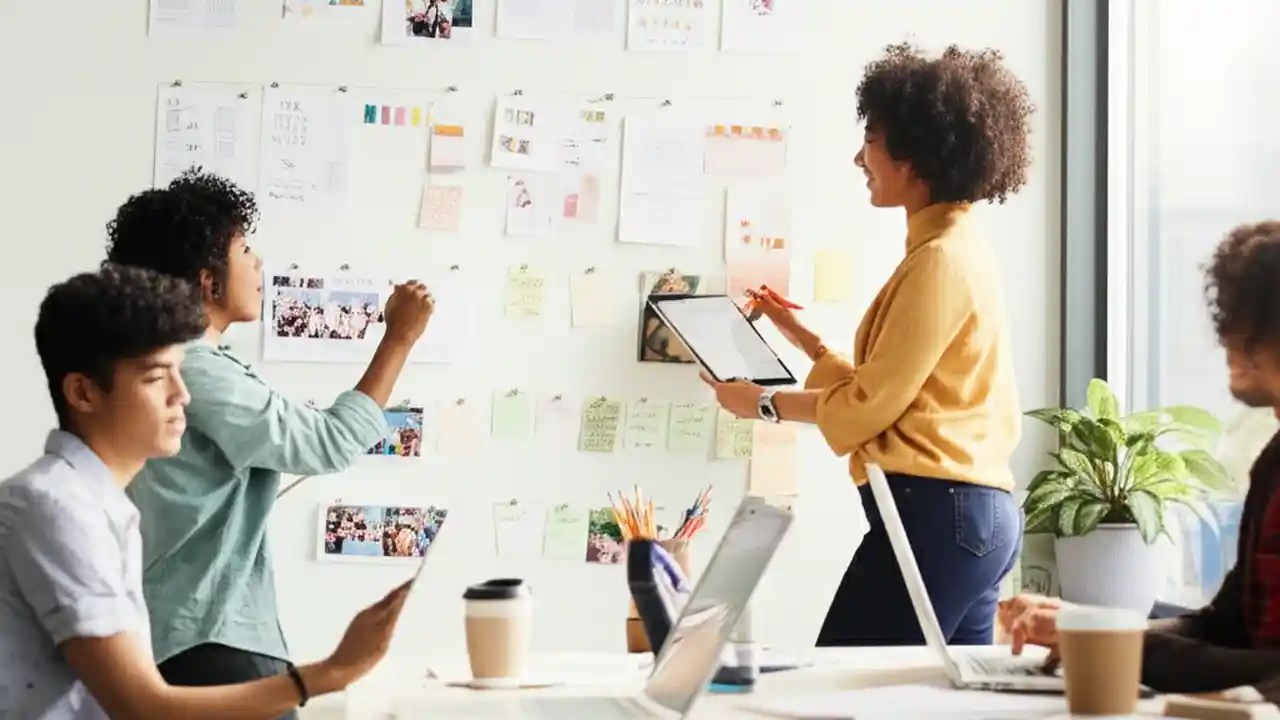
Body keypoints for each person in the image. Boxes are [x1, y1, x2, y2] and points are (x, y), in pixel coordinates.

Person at [702, 42, 1035, 646]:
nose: (860, 157)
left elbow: (867, 408)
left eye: (872, 139)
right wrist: (805, 340)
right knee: (929, 692)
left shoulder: (940, 261)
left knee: (839, 685)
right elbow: (895, 392)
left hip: (938, 518)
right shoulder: (957, 249)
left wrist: (762, 403)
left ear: (915, 153)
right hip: (974, 520)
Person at [0, 265, 412, 720]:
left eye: (179, 372)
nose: (182, 395)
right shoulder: (56, 507)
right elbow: (140, 706)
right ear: (83, 393)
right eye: (156, 378)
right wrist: (332, 672)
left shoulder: (103, 509)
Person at [102, 169, 434, 708]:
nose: (258, 263)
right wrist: (399, 339)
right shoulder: (197, 367)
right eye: (244, 249)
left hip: (189, 637)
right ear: (207, 281)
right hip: (211, 642)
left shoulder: (168, 363)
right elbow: (329, 441)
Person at [1001, 221, 1280, 695]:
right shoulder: (1274, 461)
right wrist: (1089, 627)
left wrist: (1111, 643)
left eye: (1252, 325)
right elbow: (1226, 625)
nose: (1229, 341)